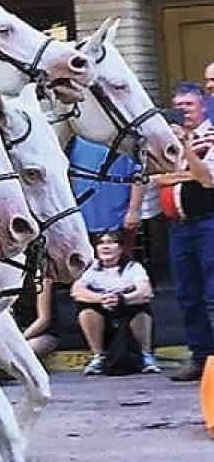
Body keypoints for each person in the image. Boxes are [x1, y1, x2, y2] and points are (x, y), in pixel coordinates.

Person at [155, 88, 214, 382]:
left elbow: (206, 179)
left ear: (203, 107)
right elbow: (155, 177)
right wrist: (185, 170)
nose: (184, 111)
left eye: (189, 104)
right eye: (178, 106)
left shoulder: (211, 137)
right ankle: (201, 356)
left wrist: (185, 148)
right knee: (187, 293)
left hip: (207, 223)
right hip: (178, 227)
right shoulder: (166, 144)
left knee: (212, 291)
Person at [71, 230, 160, 376]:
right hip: (103, 316)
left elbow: (146, 291)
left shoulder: (133, 267)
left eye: (111, 242)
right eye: (101, 243)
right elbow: (77, 291)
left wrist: (123, 299)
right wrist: (101, 299)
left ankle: (146, 355)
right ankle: (98, 356)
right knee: (86, 312)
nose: (106, 247)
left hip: (127, 313)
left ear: (120, 248)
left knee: (141, 311)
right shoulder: (91, 268)